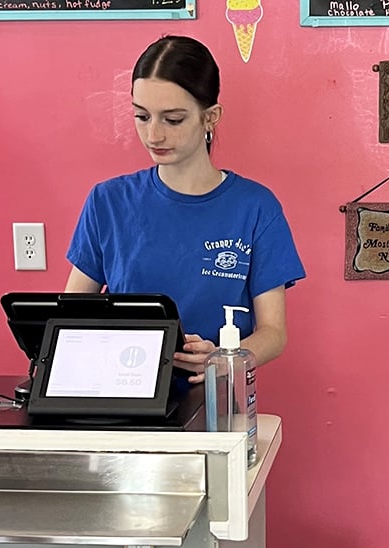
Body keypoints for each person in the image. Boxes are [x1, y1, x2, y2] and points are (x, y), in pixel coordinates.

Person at [65, 35, 305, 382]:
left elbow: (273, 332)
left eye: (173, 120)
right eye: (142, 116)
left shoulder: (256, 208)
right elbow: (70, 316)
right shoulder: (107, 201)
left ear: (210, 117)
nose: (154, 135)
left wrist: (224, 360)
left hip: (214, 398)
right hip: (121, 395)